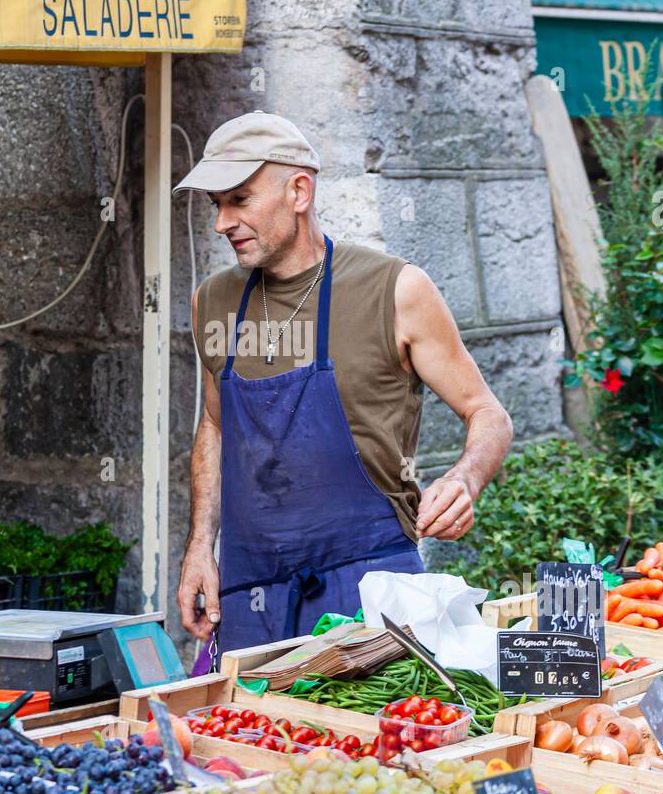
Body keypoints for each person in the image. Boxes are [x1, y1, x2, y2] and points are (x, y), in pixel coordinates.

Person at [173, 111, 513, 670]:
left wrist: (464, 478)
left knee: (374, 750)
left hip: (370, 588)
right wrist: (198, 549)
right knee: (242, 753)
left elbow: (488, 414)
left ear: (299, 191)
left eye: (239, 199)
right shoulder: (213, 300)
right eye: (216, 205)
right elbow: (214, 426)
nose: (222, 223)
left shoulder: (395, 288)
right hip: (250, 590)